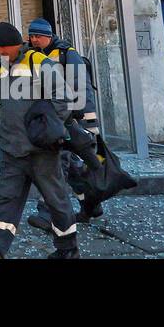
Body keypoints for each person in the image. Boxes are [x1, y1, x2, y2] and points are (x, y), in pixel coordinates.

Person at [0, 21, 84, 260]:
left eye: (5, 47)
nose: (1, 52)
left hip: (40, 149)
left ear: (18, 43)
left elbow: (64, 99)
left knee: (55, 199)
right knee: (7, 195)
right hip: (11, 147)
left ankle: (68, 249)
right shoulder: (2, 65)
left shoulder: (40, 63)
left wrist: (47, 129)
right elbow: (5, 103)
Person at [23, 18, 105, 231]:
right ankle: (91, 204)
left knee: (57, 164)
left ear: (49, 36)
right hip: (51, 119)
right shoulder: (34, 57)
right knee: (72, 169)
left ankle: (48, 214)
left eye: (38, 36)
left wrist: (90, 123)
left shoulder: (67, 54)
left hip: (68, 119)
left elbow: (82, 88)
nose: (34, 40)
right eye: (31, 36)